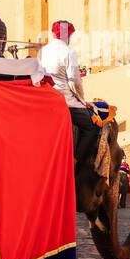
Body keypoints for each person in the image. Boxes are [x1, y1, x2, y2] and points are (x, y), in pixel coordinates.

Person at [40, 20, 98, 162]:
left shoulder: (42, 51)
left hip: (47, 100)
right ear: (68, 35)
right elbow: (74, 81)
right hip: (66, 102)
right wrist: (82, 101)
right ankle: (75, 160)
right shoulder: (68, 52)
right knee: (91, 129)